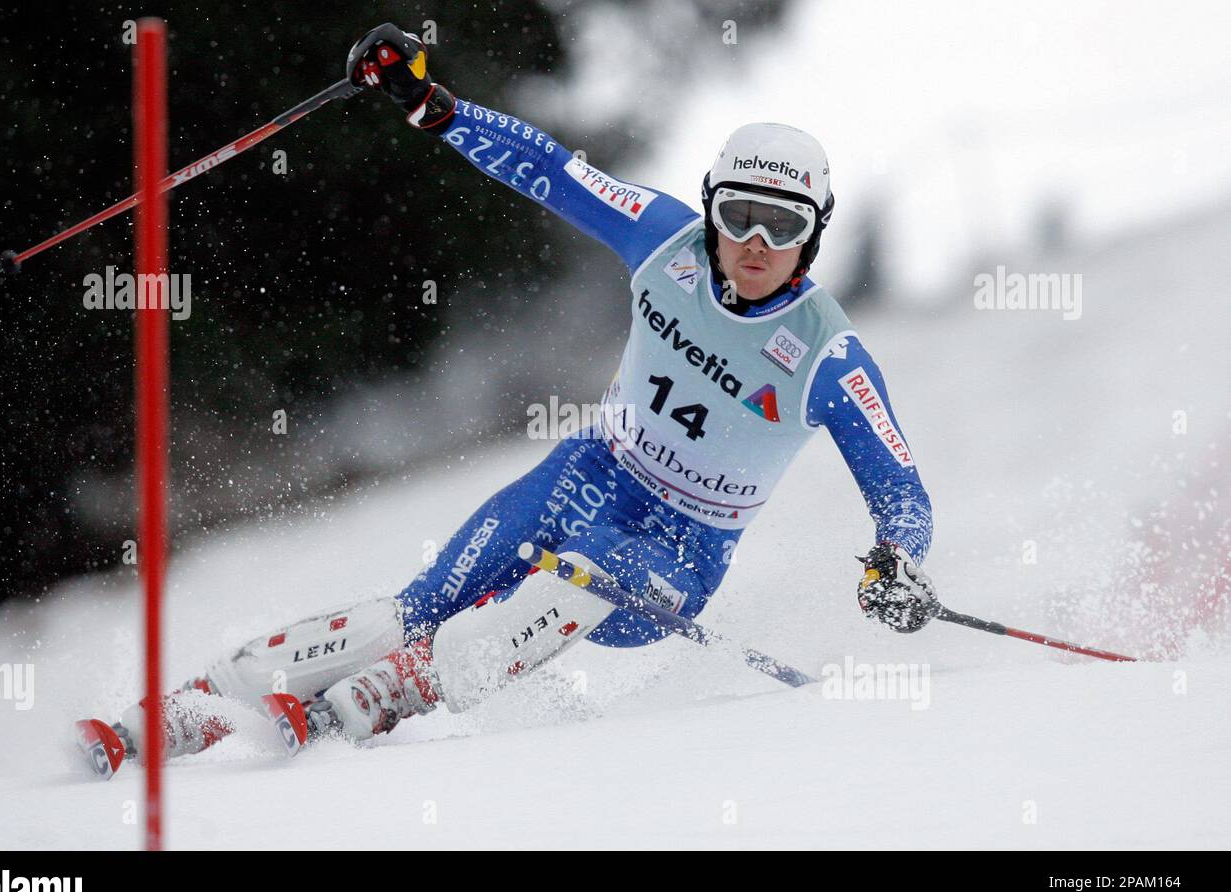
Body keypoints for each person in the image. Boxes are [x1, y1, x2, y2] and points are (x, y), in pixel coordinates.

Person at [78, 24, 938, 774]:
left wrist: (899, 560)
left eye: (782, 225)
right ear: (710, 209)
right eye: (740, 215)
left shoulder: (830, 357)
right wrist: (431, 104)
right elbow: (552, 171)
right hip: (588, 473)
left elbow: (900, 488)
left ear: (814, 235)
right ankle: (200, 703)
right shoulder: (660, 236)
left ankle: (402, 691)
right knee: (418, 606)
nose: (754, 243)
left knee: (589, 570)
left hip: (679, 552)